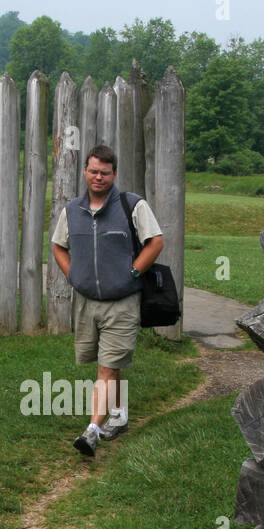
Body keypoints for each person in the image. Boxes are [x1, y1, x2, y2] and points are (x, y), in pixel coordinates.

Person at [50, 145, 164, 457]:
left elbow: (156, 242)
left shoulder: (132, 205)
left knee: (106, 367)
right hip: (87, 302)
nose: (98, 177)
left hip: (123, 301)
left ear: (114, 174)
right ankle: (119, 415)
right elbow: (58, 246)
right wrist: (73, 276)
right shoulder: (72, 211)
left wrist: (133, 271)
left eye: (105, 172)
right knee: (108, 365)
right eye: (93, 171)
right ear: (85, 172)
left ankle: (92, 431)